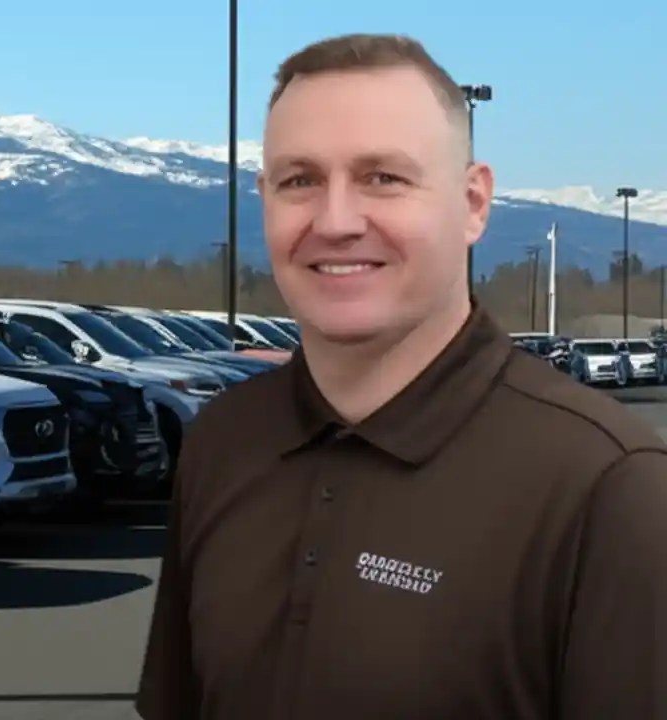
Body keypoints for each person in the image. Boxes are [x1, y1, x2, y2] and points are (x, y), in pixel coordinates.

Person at [135, 33, 667, 720]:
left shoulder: (609, 488)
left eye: (383, 177)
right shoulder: (224, 441)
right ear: (264, 199)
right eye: (299, 180)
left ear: (474, 203)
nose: (336, 221)